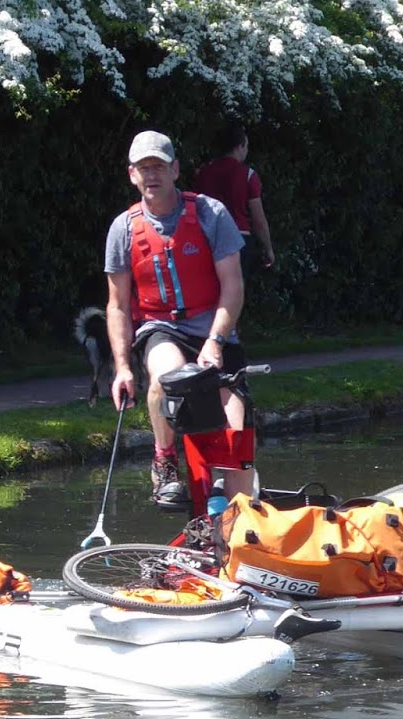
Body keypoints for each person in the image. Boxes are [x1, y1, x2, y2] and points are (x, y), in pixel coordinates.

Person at [104, 130, 252, 515]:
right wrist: (121, 368)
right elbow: (118, 305)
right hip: (161, 327)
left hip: (213, 329)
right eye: (143, 168)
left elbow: (232, 285)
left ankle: (238, 527)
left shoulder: (209, 213)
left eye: (158, 166)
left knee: (235, 434)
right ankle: (164, 460)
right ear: (132, 175)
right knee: (169, 376)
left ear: (174, 170)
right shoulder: (123, 229)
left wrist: (216, 341)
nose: (151, 175)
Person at [194, 119, 275, 278]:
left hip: (208, 236)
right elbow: (258, 220)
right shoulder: (248, 175)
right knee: (234, 291)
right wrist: (268, 247)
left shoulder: (204, 172)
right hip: (239, 237)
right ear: (240, 146)